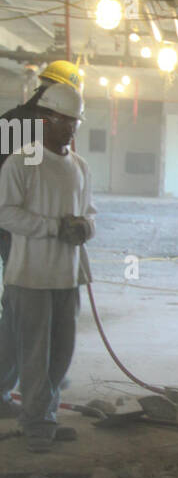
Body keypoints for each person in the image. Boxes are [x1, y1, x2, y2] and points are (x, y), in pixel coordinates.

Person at [0, 70, 94, 451]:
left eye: (75, 121)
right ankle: (35, 422)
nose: (71, 127)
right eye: (64, 120)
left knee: (61, 352)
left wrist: (84, 227)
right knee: (34, 352)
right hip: (30, 273)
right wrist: (53, 227)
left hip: (66, 276)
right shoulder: (22, 161)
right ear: (44, 120)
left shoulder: (81, 166)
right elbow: (4, 211)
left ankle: (46, 415)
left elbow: (90, 212)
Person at [0, 69, 57, 418]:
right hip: (12, 229)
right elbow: (30, 186)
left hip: (7, 224)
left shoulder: (11, 118)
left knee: (16, 307)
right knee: (20, 309)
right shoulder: (31, 127)